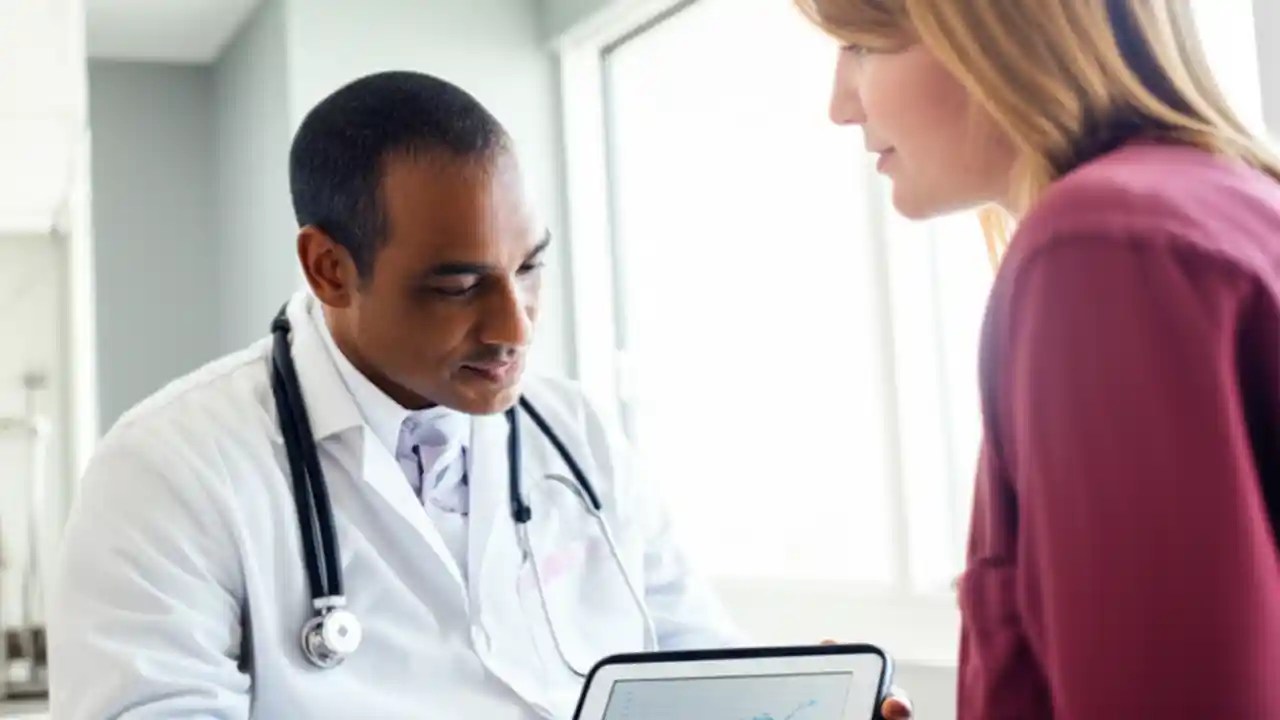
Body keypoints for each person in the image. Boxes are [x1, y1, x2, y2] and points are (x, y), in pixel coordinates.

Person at [49, 71, 911, 719]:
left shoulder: (572, 431)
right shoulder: (168, 470)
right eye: (459, 287)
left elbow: (684, 658)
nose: (516, 328)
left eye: (530, 267)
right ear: (330, 269)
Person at [798, 0, 1280, 717]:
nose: (840, 105)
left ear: (1004, 31)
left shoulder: (1097, 248)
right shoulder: (1227, 209)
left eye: (864, 46)